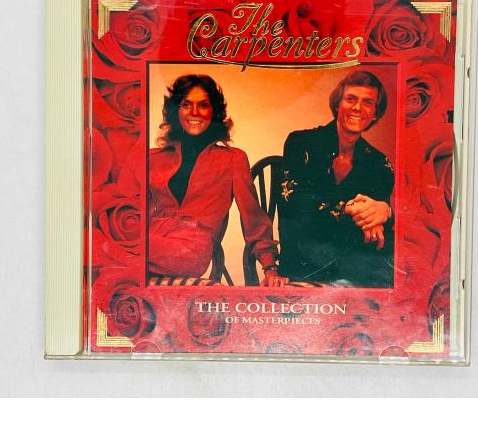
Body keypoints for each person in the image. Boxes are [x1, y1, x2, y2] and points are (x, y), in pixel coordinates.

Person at [149, 74, 287, 287]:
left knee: (120, 253)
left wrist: (269, 268)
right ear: (176, 110)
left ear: (213, 112)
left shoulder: (232, 159)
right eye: (186, 104)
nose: (194, 112)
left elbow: (253, 217)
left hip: (191, 247)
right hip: (150, 238)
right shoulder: (153, 157)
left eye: (203, 105)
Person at [278, 69, 394, 287]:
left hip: (353, 265)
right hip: (302, 264)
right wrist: (347, 208)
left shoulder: (379, 163)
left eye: (368, 102)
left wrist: (385, 211)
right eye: (351, 99)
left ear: (375, 113)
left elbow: (376, 231)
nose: (358, 107)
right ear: (337, 104)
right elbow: (296, 206)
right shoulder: (300, 143)